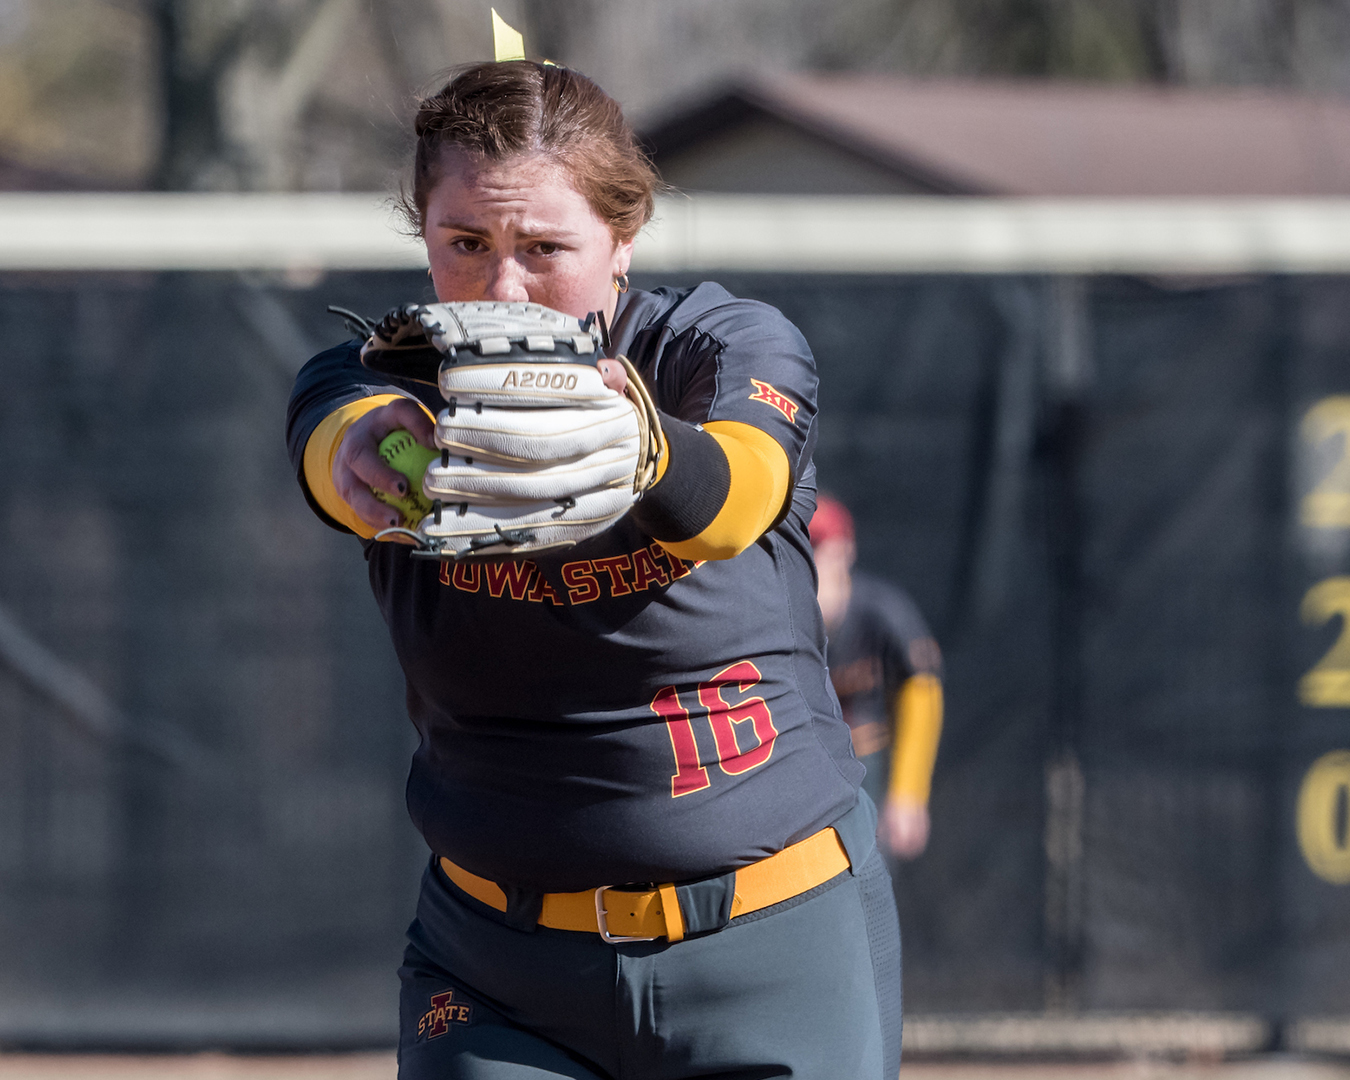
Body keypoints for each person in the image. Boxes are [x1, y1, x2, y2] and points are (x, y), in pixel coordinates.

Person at [285, 60, 899, 1080]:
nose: (504, 284)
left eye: (545, 247)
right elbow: (336, 448)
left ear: (623, 238)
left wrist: (650, 452)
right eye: (466, 244)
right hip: (494, 972)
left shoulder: (716, 347)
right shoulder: (384, 379)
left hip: (774, 943)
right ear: (422, 233)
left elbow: (742, 493)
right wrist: (374, 455)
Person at [808, 495, 944, 860]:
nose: (814, 557)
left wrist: (909, 793)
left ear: (845, 550)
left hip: (871, 772)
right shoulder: (781, 623)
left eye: (821, 545)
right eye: (805, 546)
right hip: (806, 778)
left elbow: (922, 689)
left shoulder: (882, 614)